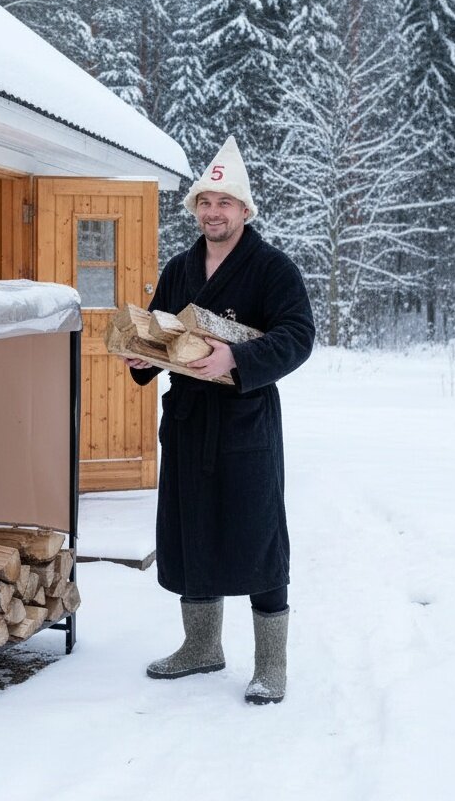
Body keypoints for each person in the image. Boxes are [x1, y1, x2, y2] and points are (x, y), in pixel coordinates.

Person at [126, 135, 314, 704]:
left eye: (225, 203)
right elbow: (159, 332)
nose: (213, 211)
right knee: (191, 531)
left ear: (244, 210)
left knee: (257, 538)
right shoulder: (181, 268)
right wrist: (143, 356)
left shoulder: (272, 268)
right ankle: (202, 648)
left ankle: (271, 665)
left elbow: (299, 335)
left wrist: (238, 358)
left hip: (245, 423)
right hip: (188, 422)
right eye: (205, 202)